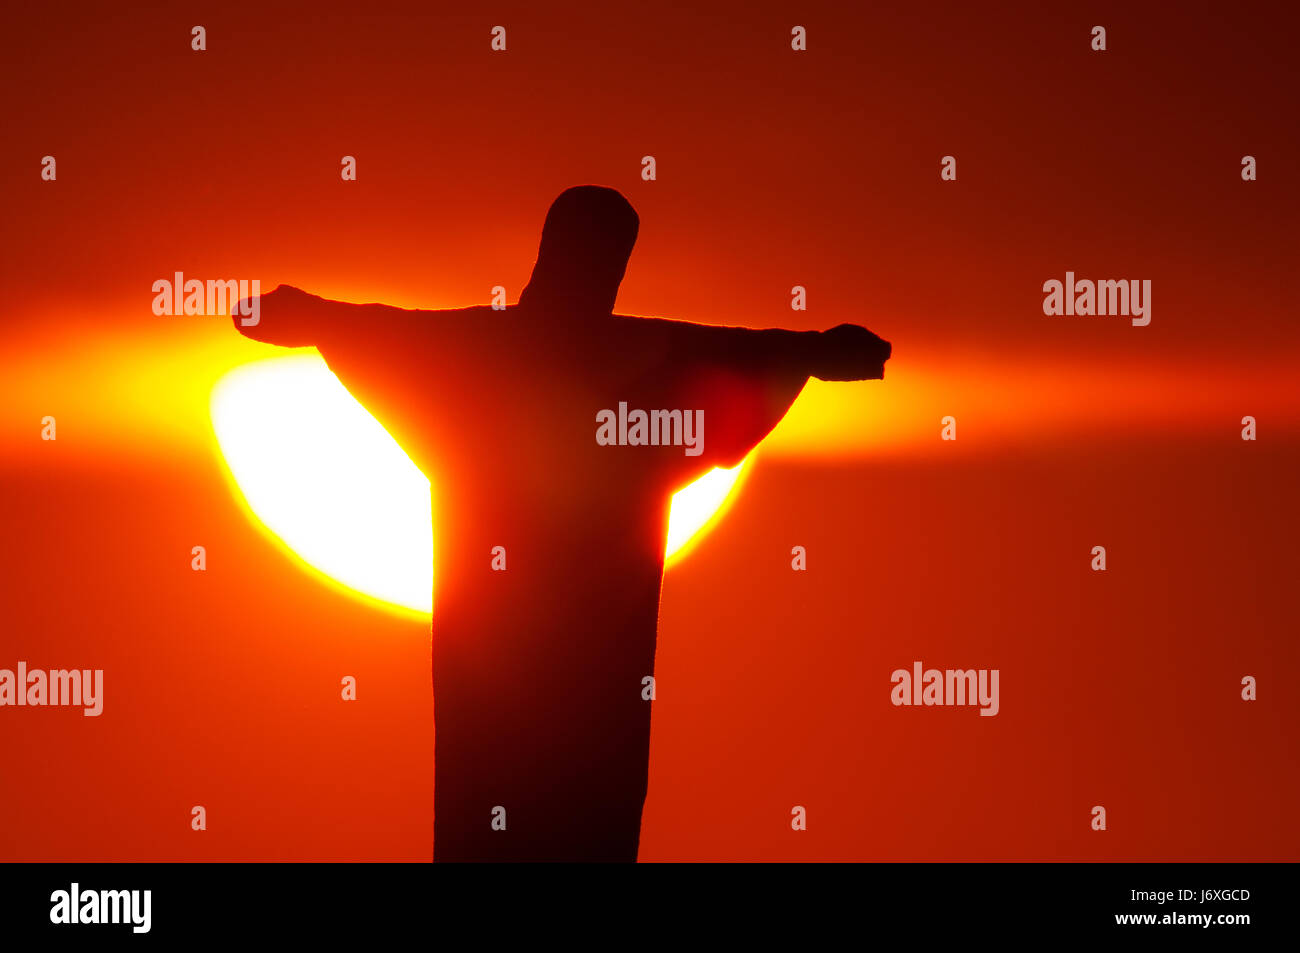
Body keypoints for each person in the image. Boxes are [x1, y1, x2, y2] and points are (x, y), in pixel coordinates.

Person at [233, 185, 891, 861]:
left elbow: (737, 354)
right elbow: (389, 331)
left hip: (592, 670)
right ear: (556, 252)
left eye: (613, 258)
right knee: (495, 802)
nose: (601, 272)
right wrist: (312, 316)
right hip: (500, 658)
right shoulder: (495, 360)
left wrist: (812, 351)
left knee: (580, 811)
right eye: (592, 253)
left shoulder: (601, 365)